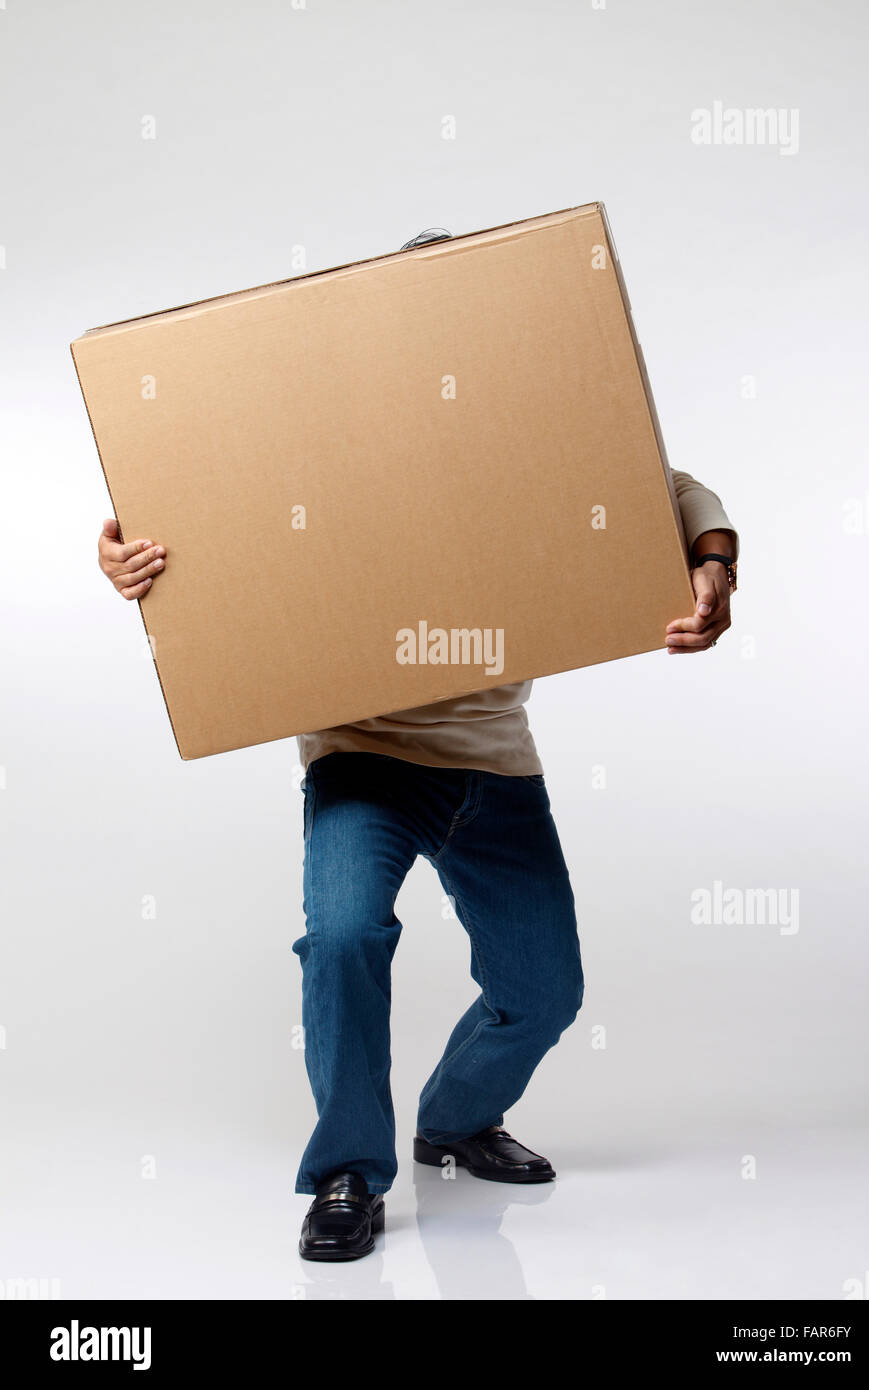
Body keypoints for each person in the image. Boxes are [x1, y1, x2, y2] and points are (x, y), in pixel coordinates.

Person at [96, 228, 739, 1263]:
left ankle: (452, 1119)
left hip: (492, 757)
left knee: (545, 990)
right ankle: (348, 1169)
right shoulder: (321, 446)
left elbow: (673, 490)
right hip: (359, 756)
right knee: (345, 936)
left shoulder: (531, 436)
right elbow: (188, 508)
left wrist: (714, 562)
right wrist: (126, 555)